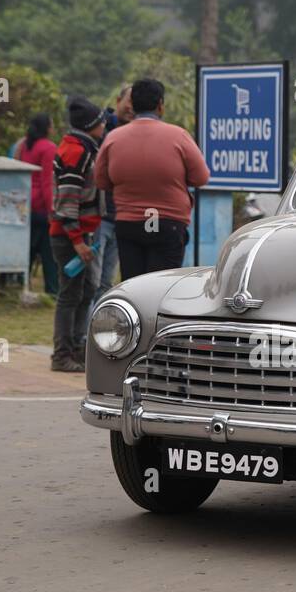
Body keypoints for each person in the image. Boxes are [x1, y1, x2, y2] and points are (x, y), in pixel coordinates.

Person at [95, 78, 210, 280]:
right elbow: (200, 177)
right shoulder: (178, 136)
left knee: (133, 285)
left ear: (132, 105)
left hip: (129, 224)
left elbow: (102, 181)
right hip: (167, 224)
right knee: (161, 287)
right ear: (160, 105)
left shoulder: (113, 138)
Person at [48, 96, 106, 373]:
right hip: (71, 236)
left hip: (82, 234)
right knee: (70, 295)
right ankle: (61, 355)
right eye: (101, 121)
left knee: (85, 291)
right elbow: (66, 202)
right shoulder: (76, 153)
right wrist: (78, 241)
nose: (105, 124)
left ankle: (77, 349)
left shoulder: (83, 148)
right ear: (91, 125)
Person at [90, 84, 133, 312]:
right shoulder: (101, 128)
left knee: (107, 283)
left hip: (122, 218)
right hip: (99, 216)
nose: (132, 108)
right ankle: (84, 338)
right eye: (129, 102)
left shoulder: (138, 134)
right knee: (93, 281)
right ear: (118, 101)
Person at [17, 113, 58, 296]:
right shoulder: (49, 148)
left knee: (26, 248)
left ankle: (19, 284)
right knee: (48, 251)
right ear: (47, 128)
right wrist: (52, 209)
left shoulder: (24, 145)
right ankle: (52, 289)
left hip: (24, 203)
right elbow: (47, 181)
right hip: (41, 204)